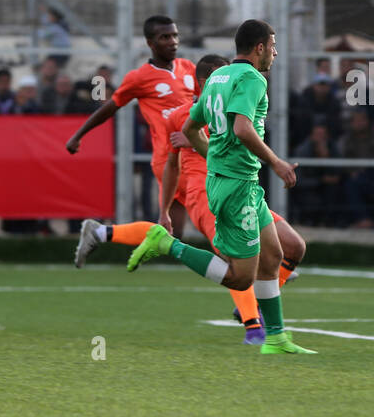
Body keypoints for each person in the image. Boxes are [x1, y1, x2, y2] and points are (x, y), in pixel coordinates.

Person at [126, 21, 316, 356]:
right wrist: (276, 162)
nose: (275, 52)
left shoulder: (218, 77)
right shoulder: (251, 78)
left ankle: (275, 338)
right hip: (235, 188)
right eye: (272, 45)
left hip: (239, 182)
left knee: (273, 257)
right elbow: (242, 128)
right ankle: (167, 245)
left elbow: (191, 127)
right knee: (241, 278)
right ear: (258, 47)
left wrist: (217, 158)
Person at [66, 15, 198, 246]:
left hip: (192, 151)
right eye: (164, 37)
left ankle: (102, 233)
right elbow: (111, 106)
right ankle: (256, 268)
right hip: (169, 157)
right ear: (150, 43)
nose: (172, 41)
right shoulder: (140, 77)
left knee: (174, 235)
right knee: (217, 208)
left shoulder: (187, 68)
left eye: (175, 35)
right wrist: (79, 134)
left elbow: (207, 100)